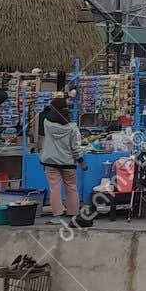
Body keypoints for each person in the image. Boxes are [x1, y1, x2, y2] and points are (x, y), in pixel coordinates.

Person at [35, 93, 84, 225]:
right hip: (68, 162)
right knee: (72, 187)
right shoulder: (73, 127)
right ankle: (73, 214)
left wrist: (49, 107)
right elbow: (76, 147)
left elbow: (43, 113)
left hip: (50, 161)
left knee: (55, 189)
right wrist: (81, 161)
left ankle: (57, 216)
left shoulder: (47, 123)